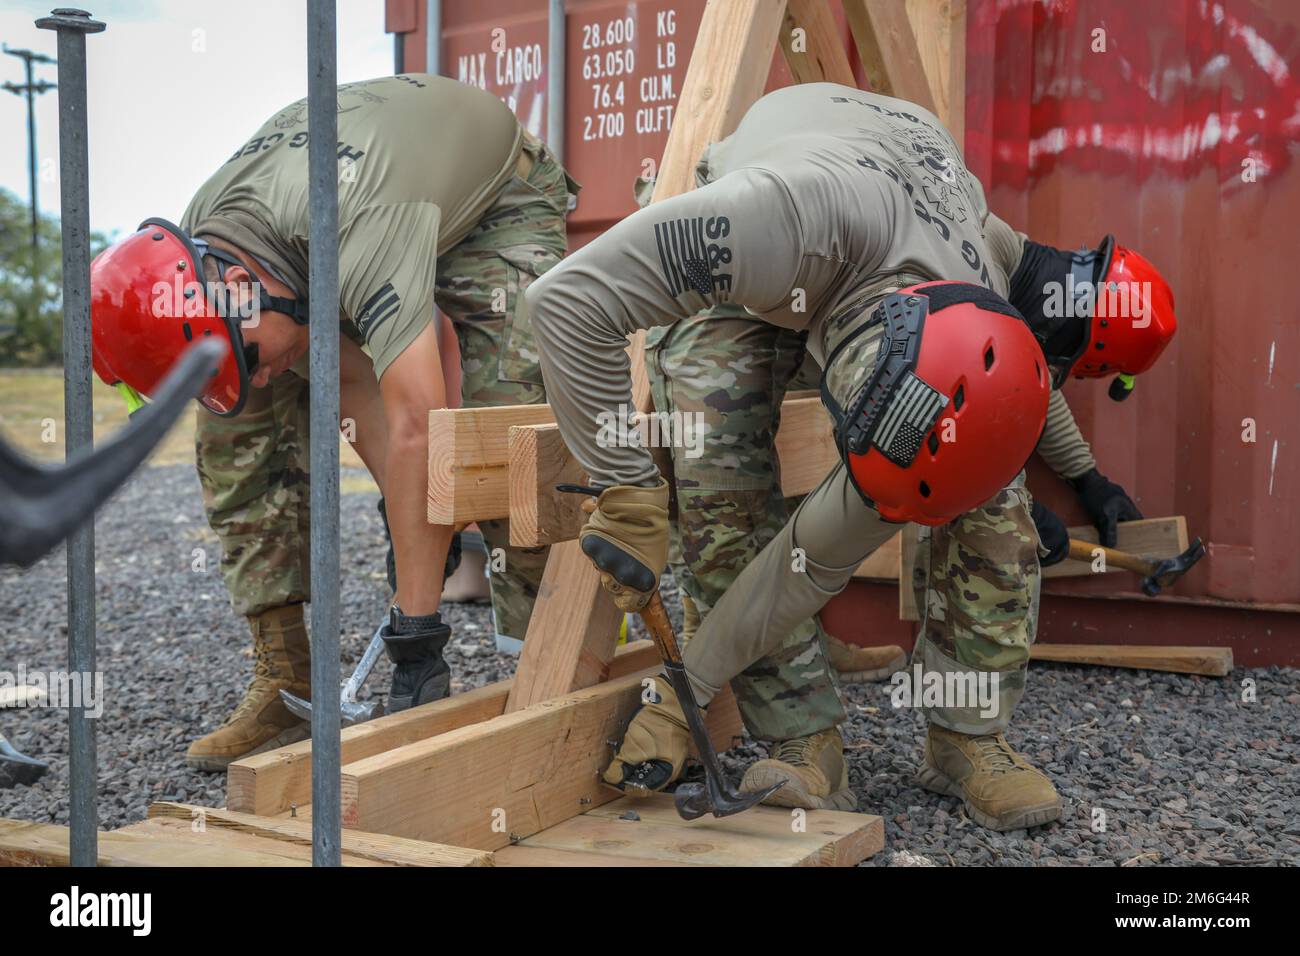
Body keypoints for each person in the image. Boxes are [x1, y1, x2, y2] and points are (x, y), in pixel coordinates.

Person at [523, 82, 1174, 830]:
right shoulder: (772, 219)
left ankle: (967, 735)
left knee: (997, 504)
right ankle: (802, 739)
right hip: (779, 248)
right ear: (841, 386)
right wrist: (625, 484)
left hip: (886, 209)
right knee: (715, 459)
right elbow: (566, 302)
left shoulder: (987, 275)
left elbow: (811, 558)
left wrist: (686, 686)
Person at [89, 74, 576, 770]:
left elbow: (416, 423)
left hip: (492, 193)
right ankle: (286, 678)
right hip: (333, 229)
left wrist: (417, 636)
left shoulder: (355, 228)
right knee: (236, 413)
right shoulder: (201, 248)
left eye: (252, 356)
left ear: (235, 287)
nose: (261, 375)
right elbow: (353, 386)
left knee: (510, 426)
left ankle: (549, 670)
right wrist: (414, 523)